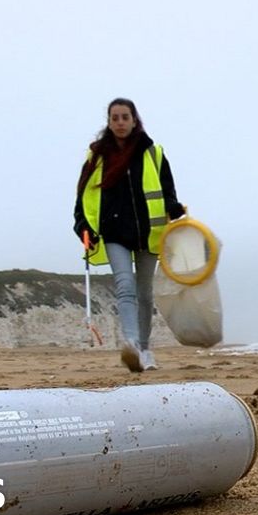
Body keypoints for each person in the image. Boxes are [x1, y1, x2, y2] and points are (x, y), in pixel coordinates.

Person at [73, 98, 185, 372]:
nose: (120, 122)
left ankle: (146, 349)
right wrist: (82, 225)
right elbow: (83, 196)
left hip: (149, 232)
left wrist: (174, 208)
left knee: (144, 293)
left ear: (134, 120)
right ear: (109, 122)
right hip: (114, 232)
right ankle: (132, 344)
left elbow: (168, 190)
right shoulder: (96, 156)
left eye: (125, 117)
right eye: (115, 118)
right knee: (125, 287)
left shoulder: (153, 153)